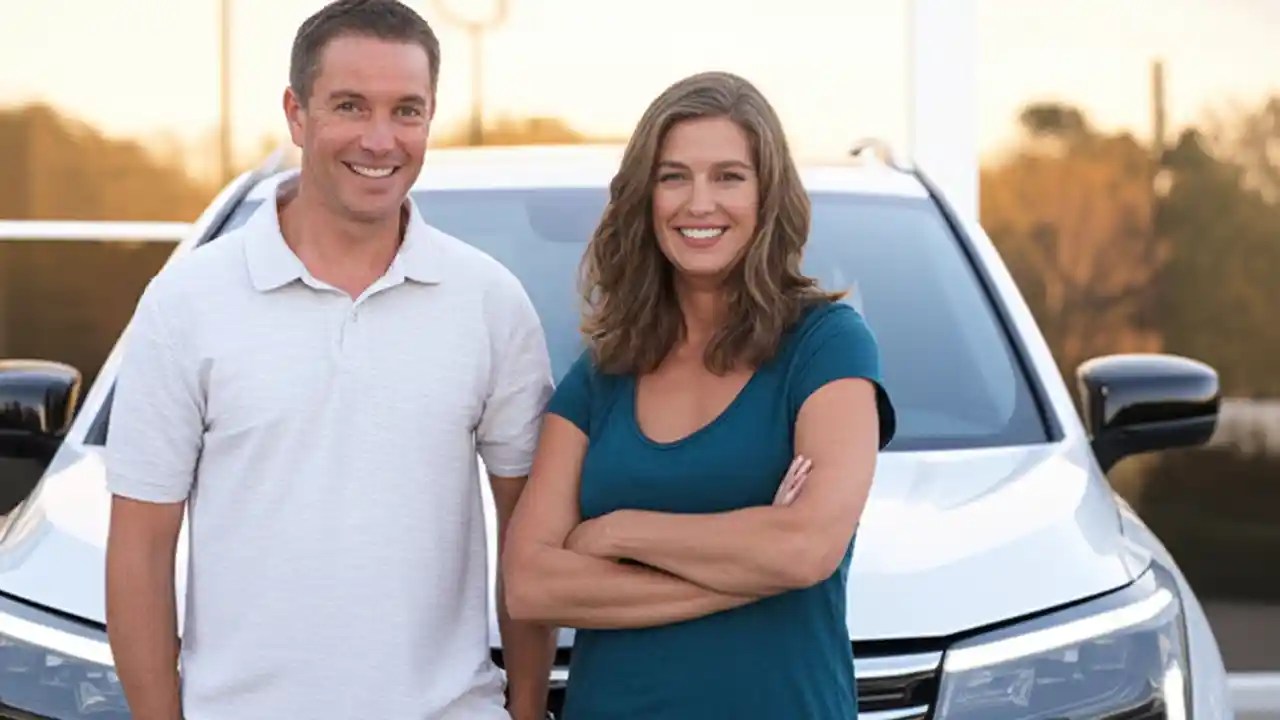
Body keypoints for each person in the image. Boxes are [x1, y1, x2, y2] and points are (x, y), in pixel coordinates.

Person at [103, 1, 556, 718]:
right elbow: (138, 551)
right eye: (351, 106)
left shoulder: (490, 302)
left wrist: (526, 710)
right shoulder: (187, 301)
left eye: (407, 111)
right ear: (297, 112)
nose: (381, 140)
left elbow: (531, 542)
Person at [502, 70, 897, 719]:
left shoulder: (827, 347)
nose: (699, 202)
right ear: (645, 195)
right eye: (674, 176)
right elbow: (530, 586)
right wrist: (753, 568)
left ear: (767, 195)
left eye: (729, 176)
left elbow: (805, 548)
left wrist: (616, 531)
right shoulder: (604, 370)